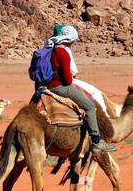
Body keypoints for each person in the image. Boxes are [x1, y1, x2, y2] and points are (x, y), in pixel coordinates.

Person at [39, 25, 114, 154]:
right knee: (90, 106)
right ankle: (96, 141)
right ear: (69, 39)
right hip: (59, 87)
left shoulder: (51, 49)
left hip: (47, 85)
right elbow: (68, 80)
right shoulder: (63, 52)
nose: (74, 43)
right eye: (73, 40)